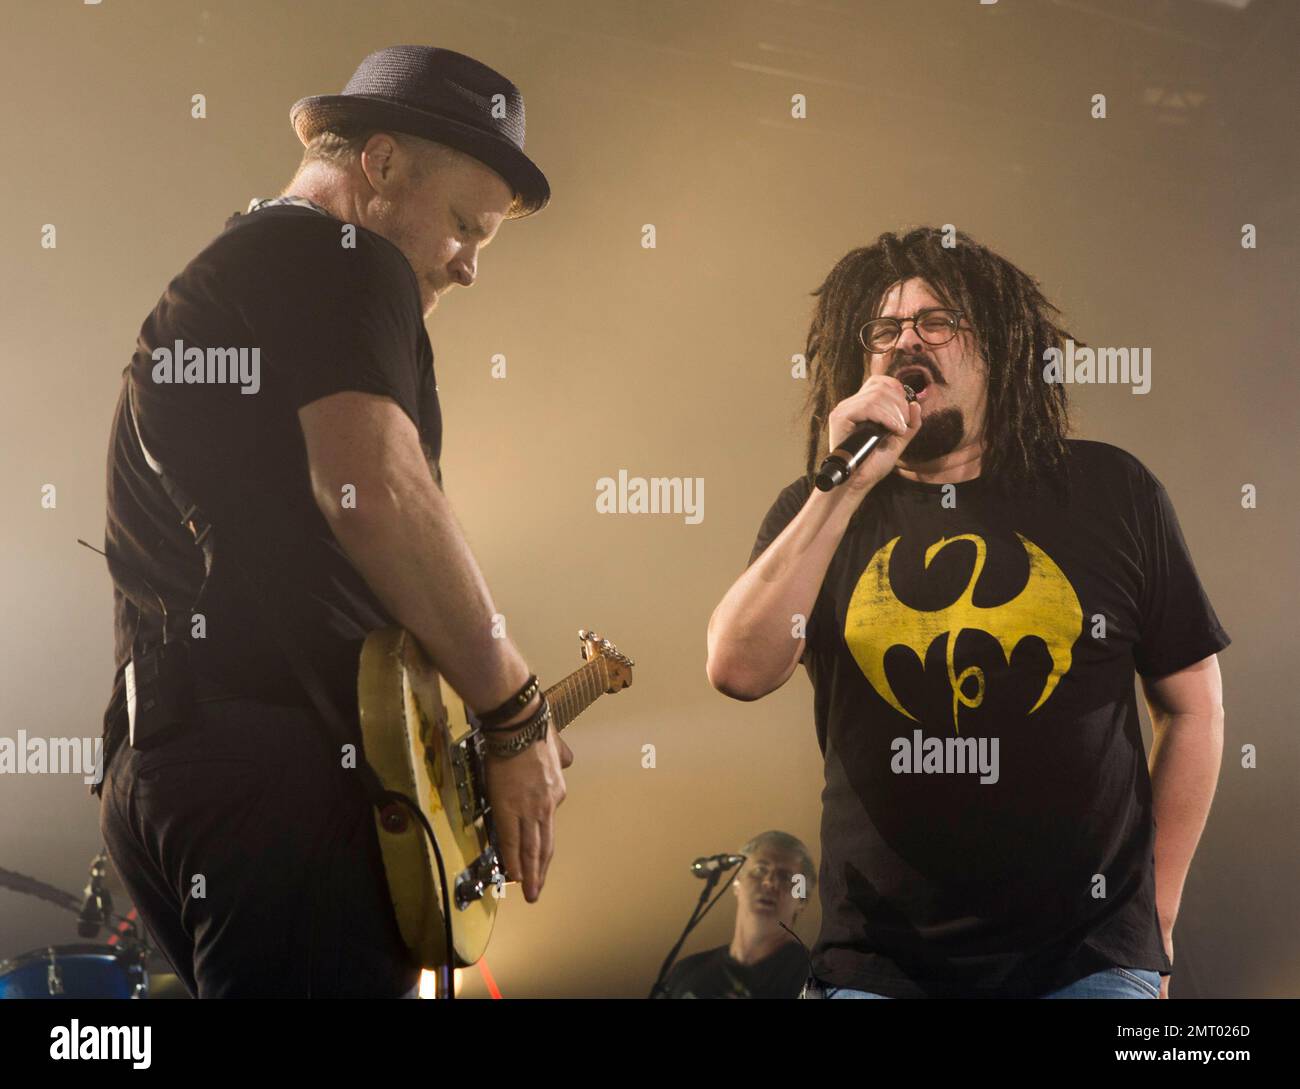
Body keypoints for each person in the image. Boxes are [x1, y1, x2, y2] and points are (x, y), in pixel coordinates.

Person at [96, 45, 570, 998]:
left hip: (170, 766)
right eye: (465, 226)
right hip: (280, 767)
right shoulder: (341, 254)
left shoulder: (236, 270)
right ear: (382, 163)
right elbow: (377, 494)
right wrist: (515, 711)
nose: (470, 267)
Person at [706, 227, 1229, 999]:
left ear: (998, 351)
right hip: (878, 969)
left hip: (1084, 964)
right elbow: (737, 668)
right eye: (884, 329)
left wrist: (1156, 912)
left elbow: (1195, 709)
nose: (905, 341)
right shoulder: (820, 511)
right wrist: (841, 487)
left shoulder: (1110, 491)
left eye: (937, 321)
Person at [660, 831, 815, 999]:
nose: (769, 882)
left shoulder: (816, 978)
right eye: (760, 869)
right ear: (736, 882)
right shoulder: (688, 971)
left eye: (785, 877)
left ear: (802, 900)